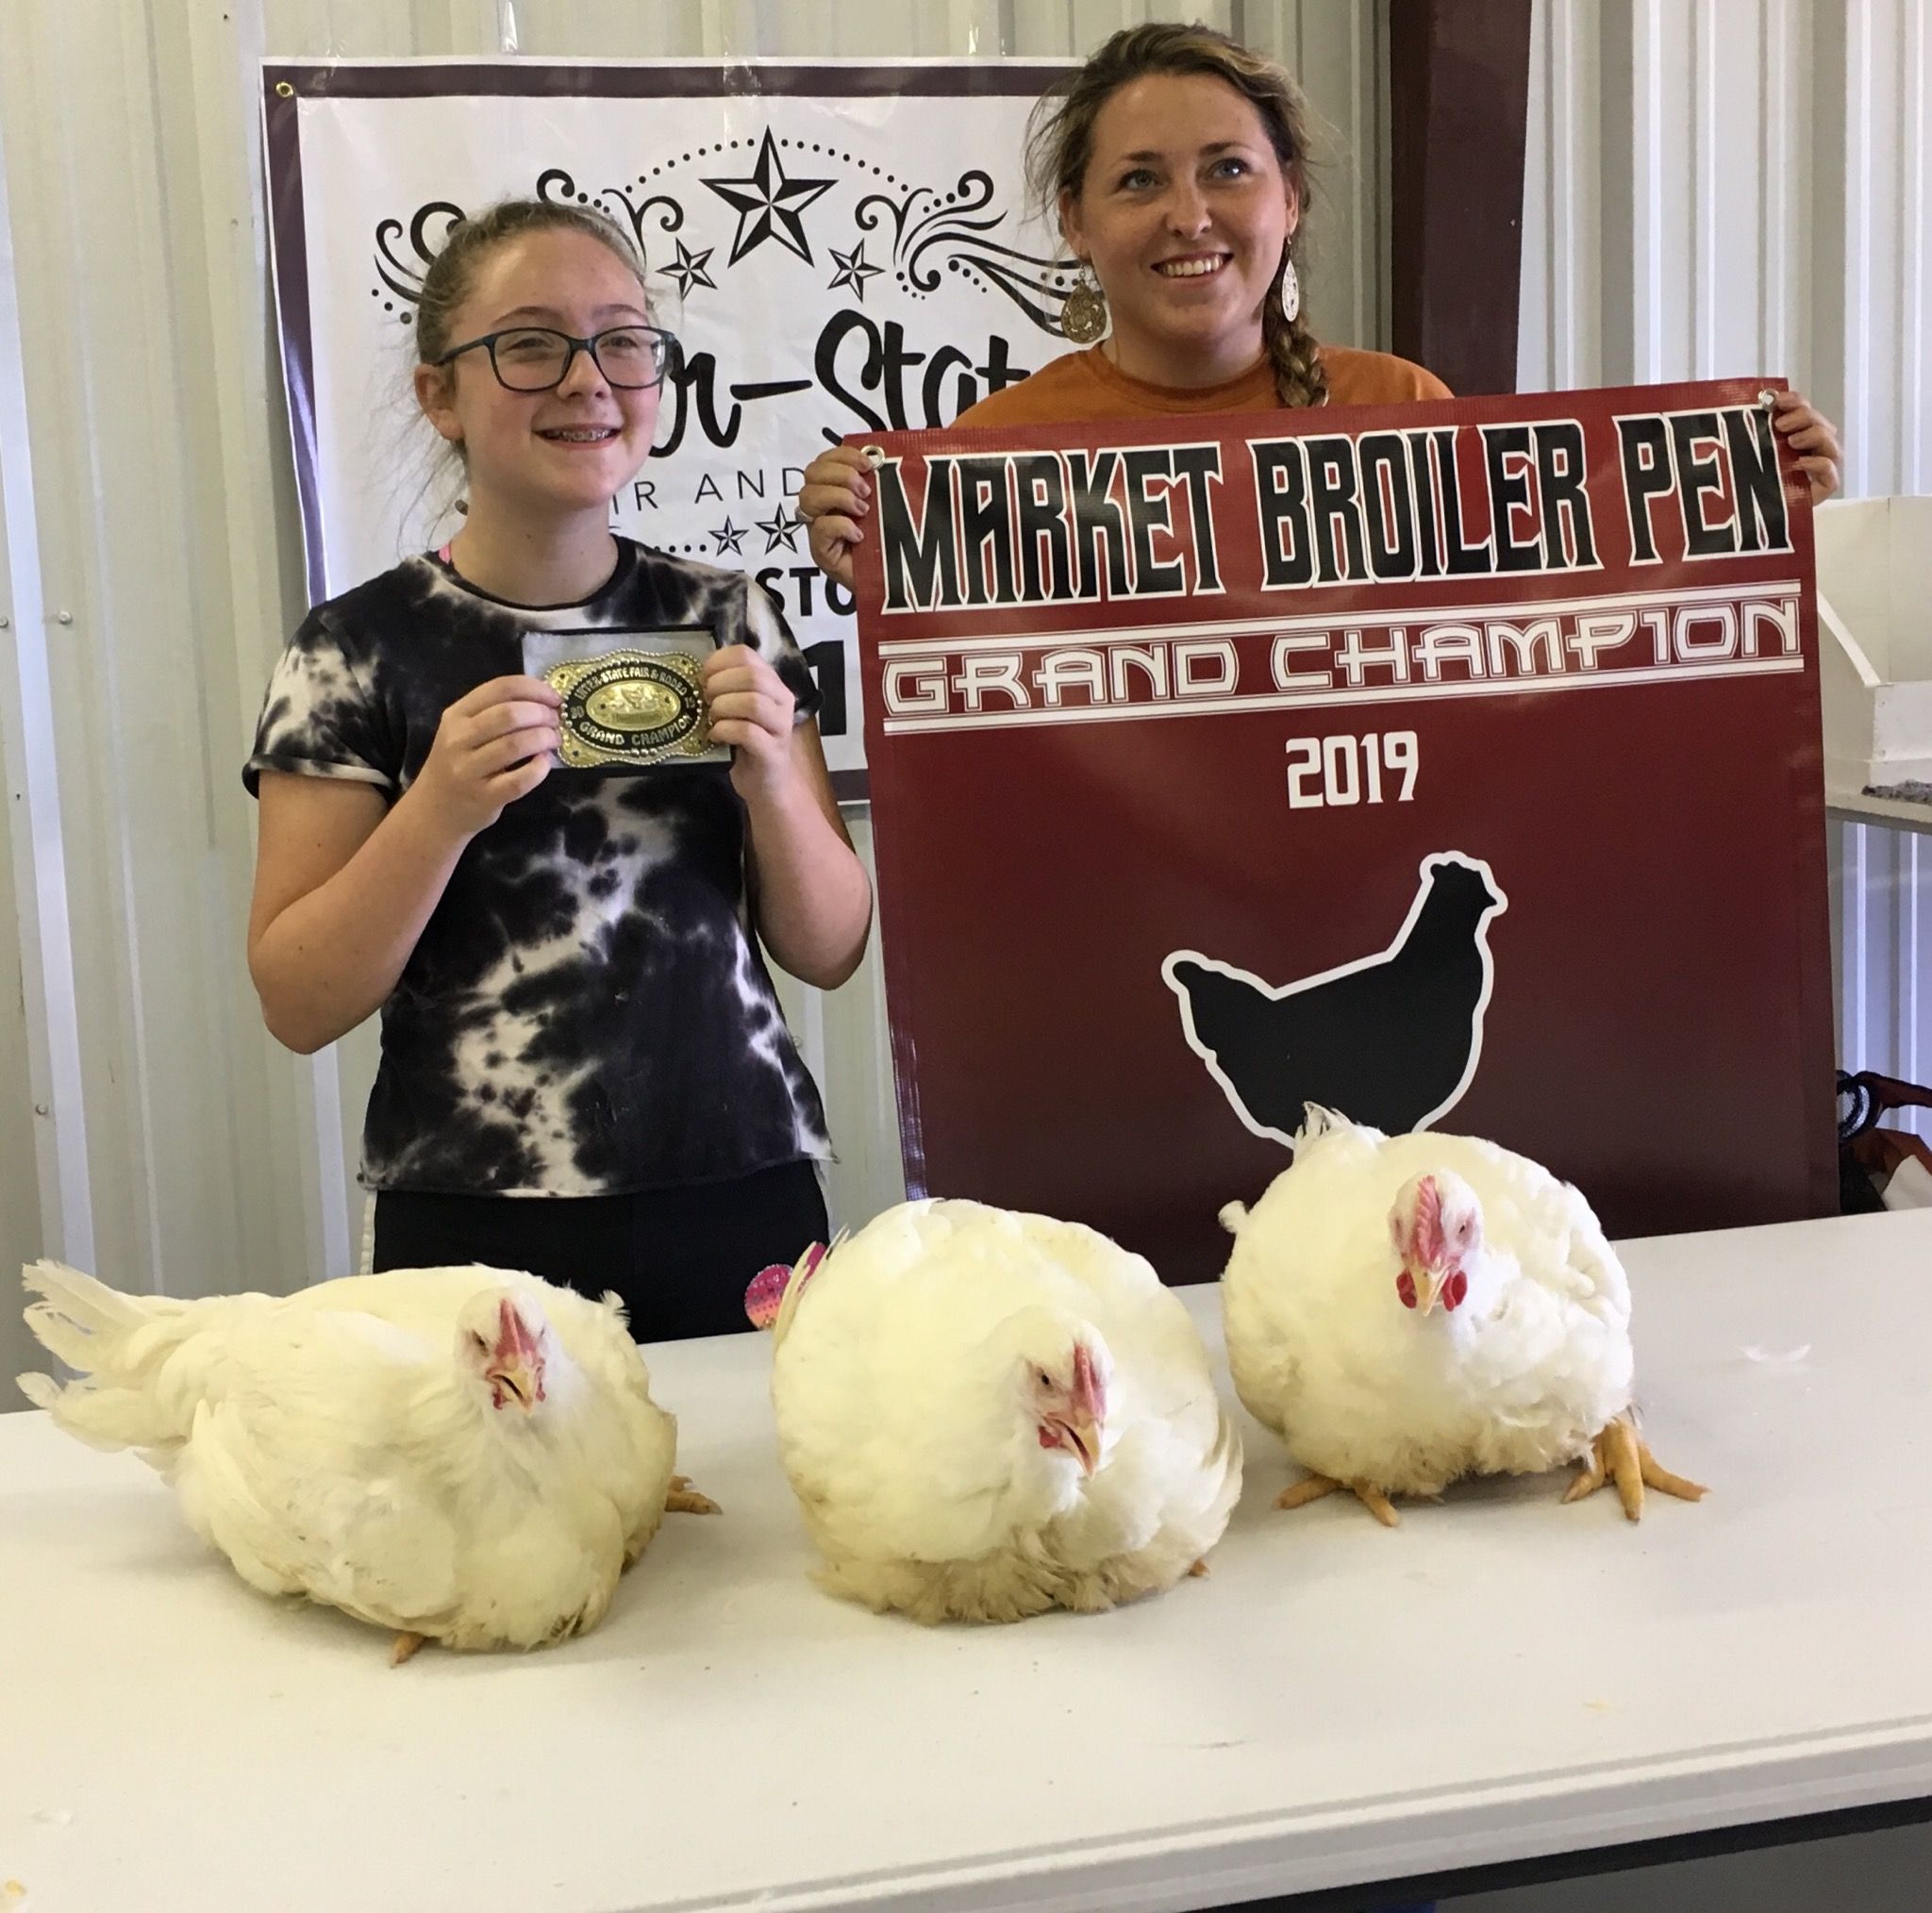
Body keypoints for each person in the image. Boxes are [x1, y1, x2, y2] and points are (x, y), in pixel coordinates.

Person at [245, 197, 872, 1340]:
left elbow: (830, 948)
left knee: (763, 1516)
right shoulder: (353, 648)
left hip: (738, 1184)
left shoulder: (727, 614)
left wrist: (776, 781)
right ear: (441, 392)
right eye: (529, 344)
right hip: (473, 1212)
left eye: (623, 341)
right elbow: (296, 998)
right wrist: (434, 813)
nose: (588, 379)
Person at [796, 20, 1843, 579]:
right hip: (1119, 928)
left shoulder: (1399, 406)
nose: (1187, 215)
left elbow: (1544, 617)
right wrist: (870, 540)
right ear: (1074, 221)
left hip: (1368, 900)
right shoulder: (996, 451)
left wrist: (1731, 498)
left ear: (1288, 197)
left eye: (1227, 170)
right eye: (1137, 179)